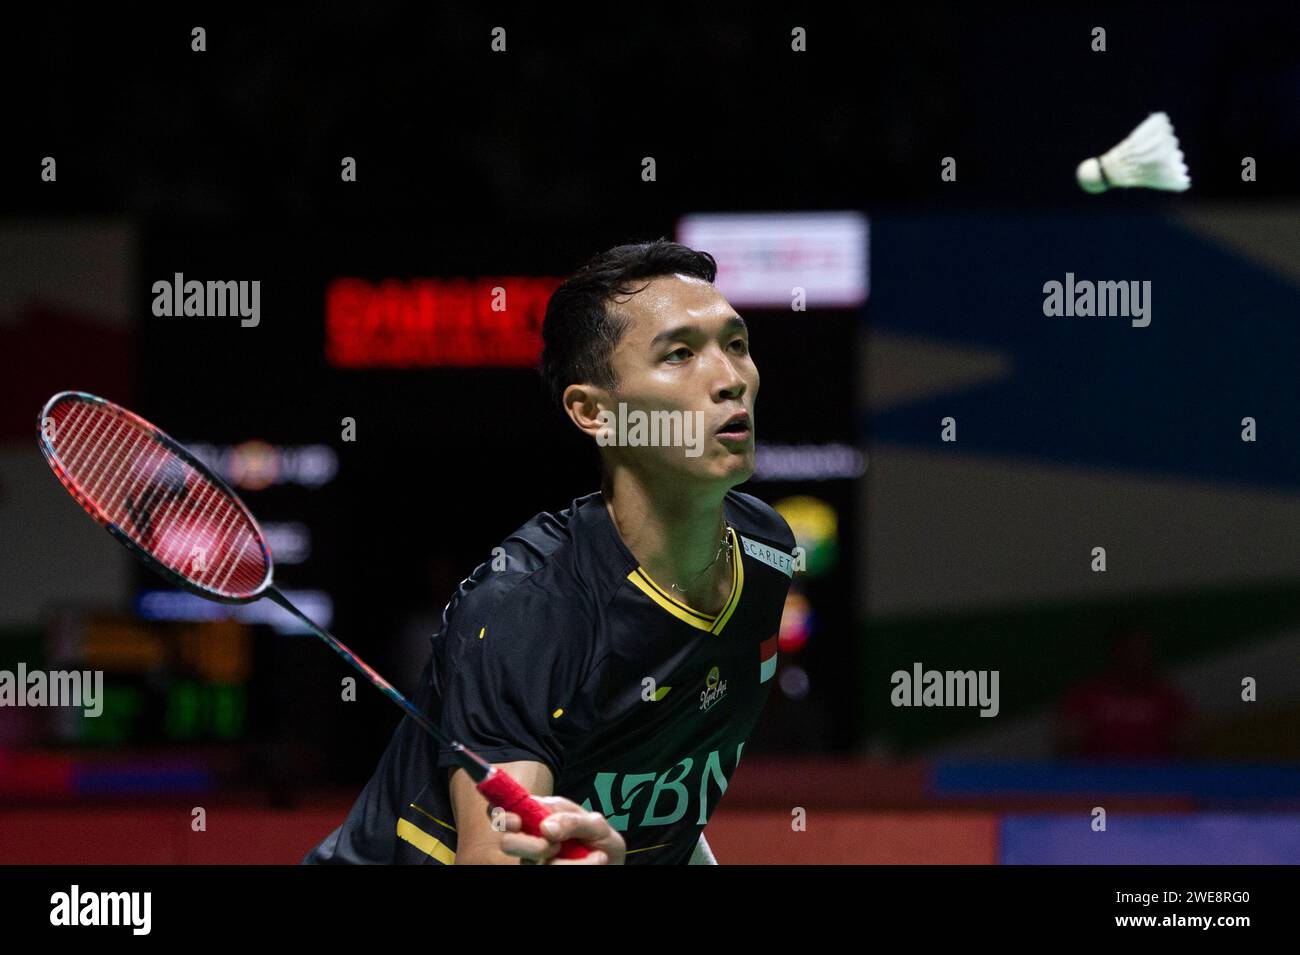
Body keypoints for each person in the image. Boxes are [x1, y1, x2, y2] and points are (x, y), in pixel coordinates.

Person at [303, 238, 797, 864]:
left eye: (735, 344)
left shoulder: (764, 551)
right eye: (679, 354)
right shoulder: (530, 611)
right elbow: (497, 855)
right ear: (594, 412)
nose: (730, 380)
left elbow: (663, 773)